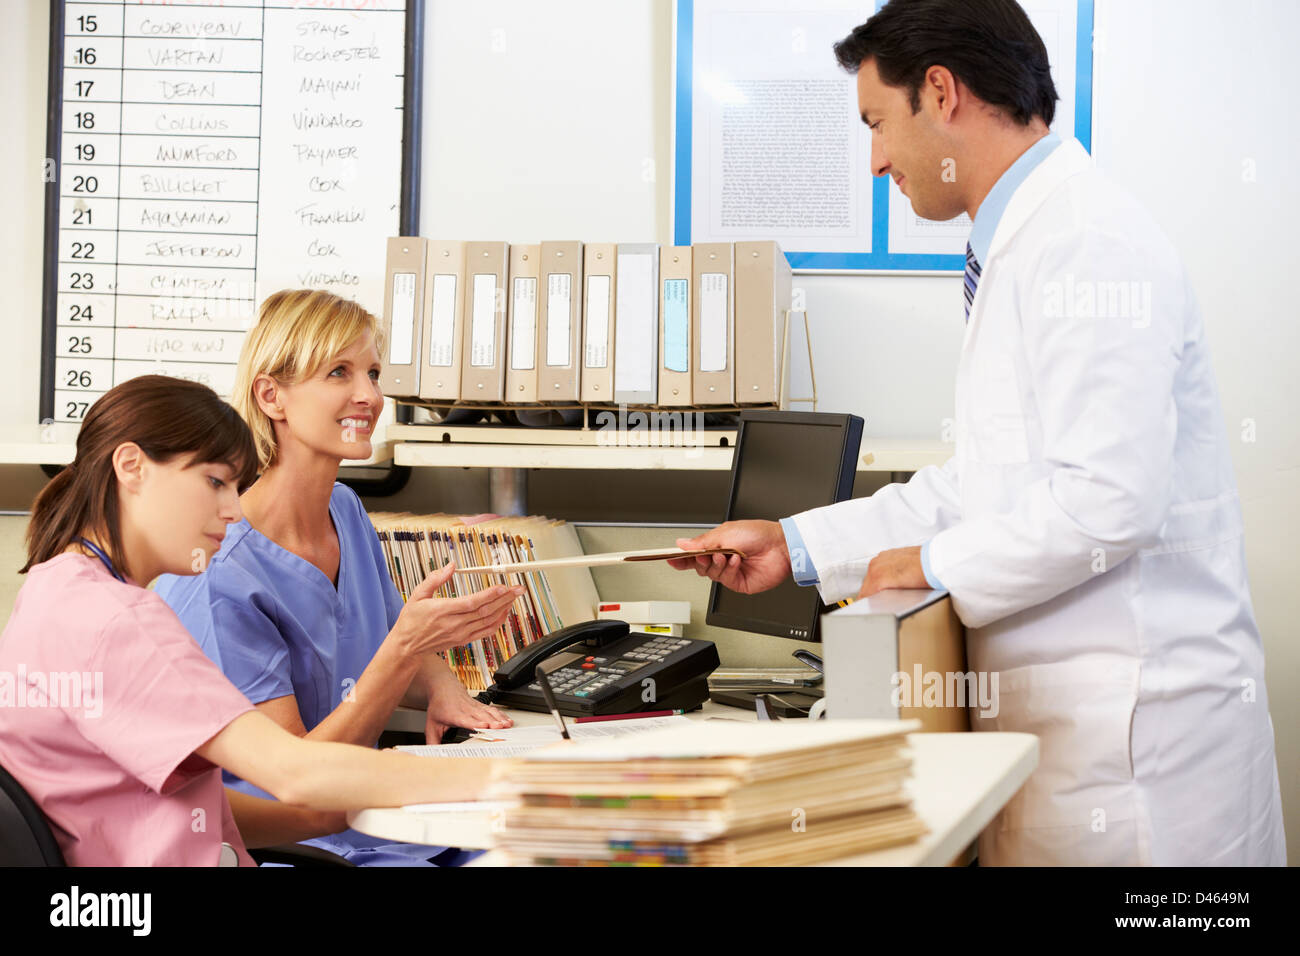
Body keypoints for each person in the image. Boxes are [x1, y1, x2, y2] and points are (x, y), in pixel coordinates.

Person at [671, 0, 1286, 866]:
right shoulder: (1026, 245)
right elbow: (983, 490)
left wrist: (924, 566)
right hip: (1080, 739)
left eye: (878, 123)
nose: (877, 158)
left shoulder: (1086, 244)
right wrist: (794, 545)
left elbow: (1108, 502)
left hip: (1140, 762)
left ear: (942, 92)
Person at [0, 376, 500, 866]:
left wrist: (331, 815)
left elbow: (189, 808)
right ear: (132, 466)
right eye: (215, 482)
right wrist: (515, 780)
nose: (233, 511)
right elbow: (293, 772)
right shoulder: (123, 621)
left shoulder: (53, 590)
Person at [155, 289, 524, 865]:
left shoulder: (346, 509)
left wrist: (443, 685)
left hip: (380, 823)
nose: (370, 396)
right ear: (271, 395)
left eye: (373, 372)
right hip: (305, 848)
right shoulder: (221, 574)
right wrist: (404, 650)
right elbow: (299, 777)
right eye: (339, 372)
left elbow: (387, 625)